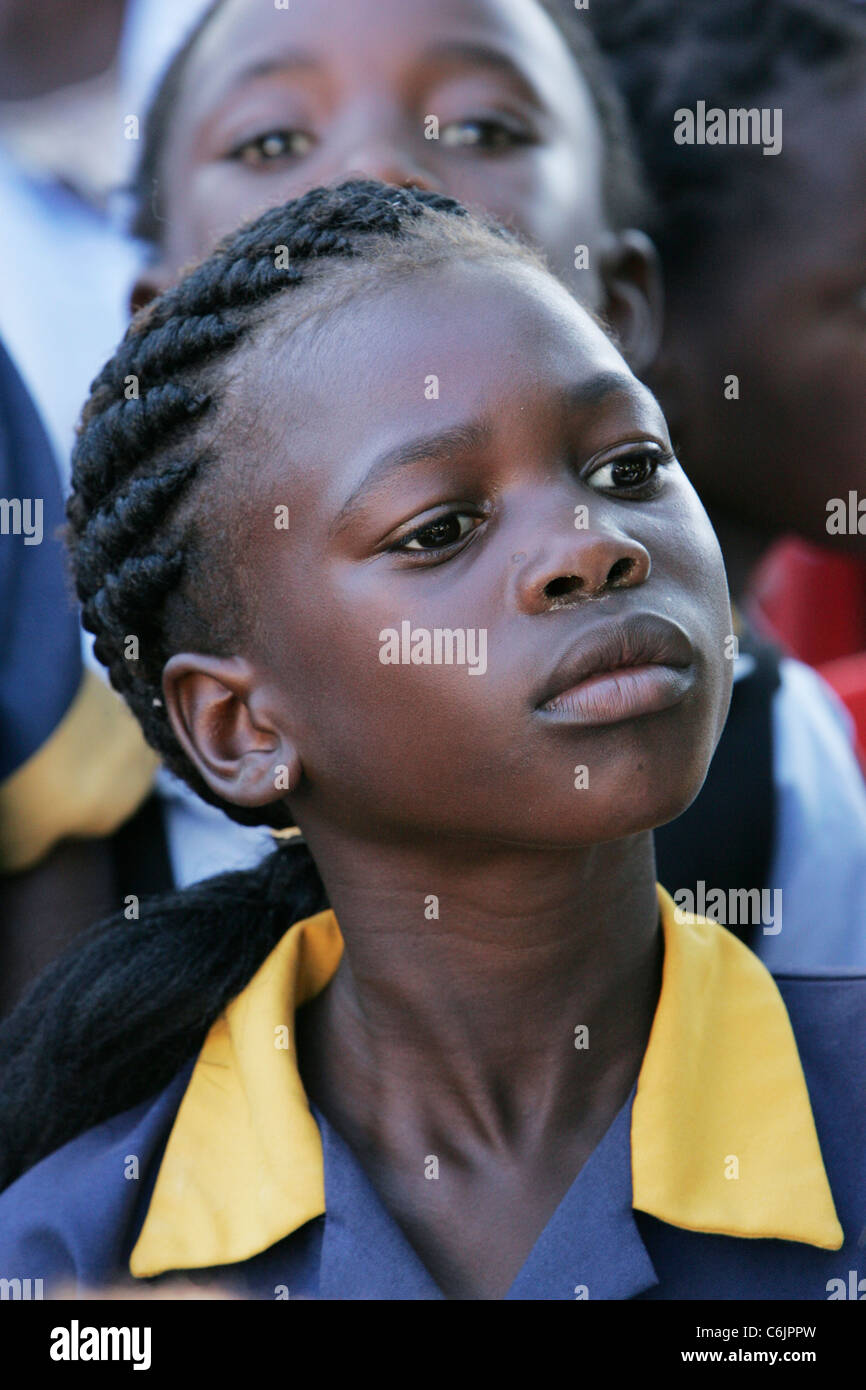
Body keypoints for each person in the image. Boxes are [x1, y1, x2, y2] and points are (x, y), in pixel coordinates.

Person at [0, 182, 862, 1300]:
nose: (588, 546)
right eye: (440, 528)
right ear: (241, 724)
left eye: (628, 467)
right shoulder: (81, 1259)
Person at [120, 0, 866, 965]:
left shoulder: (766, 758)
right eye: (272, 141)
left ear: (626, 300)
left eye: (483, 128)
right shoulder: (71, 775)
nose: (382, 174)